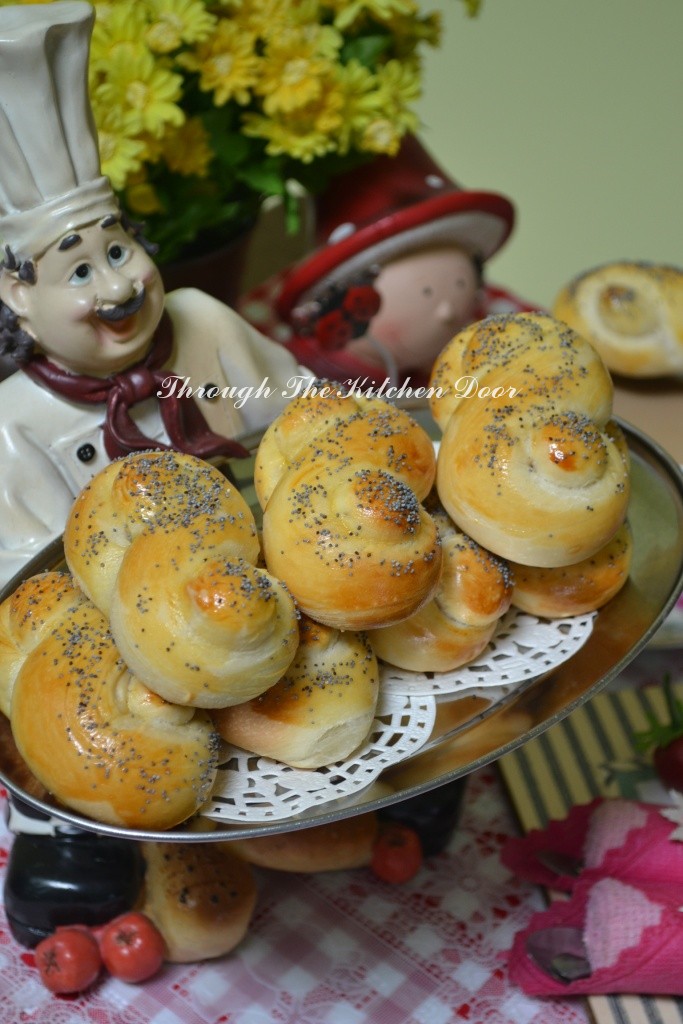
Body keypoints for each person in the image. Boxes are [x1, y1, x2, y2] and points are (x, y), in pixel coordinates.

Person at [0, 1, 306, 589]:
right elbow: (28, 589)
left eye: (117, 252)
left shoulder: (205, 322)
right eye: (79, 273)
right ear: (19, 297)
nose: (118, 287)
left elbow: (307, 423)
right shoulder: (15, 430)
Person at [272, 134, 535, 389]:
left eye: (462, 285)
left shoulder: (486, 345)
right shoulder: (299, 371)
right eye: (426, 292)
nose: (446, 312)